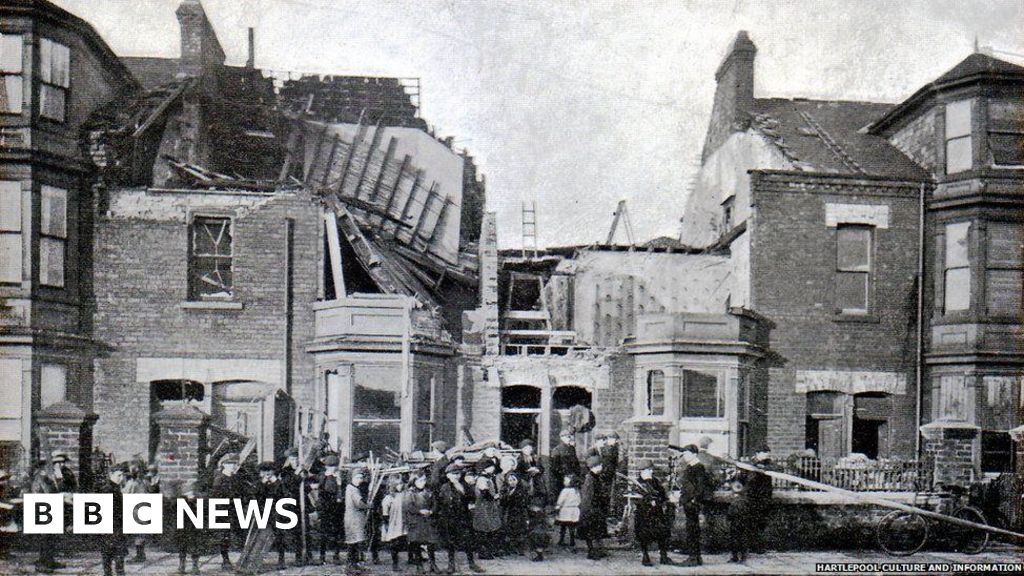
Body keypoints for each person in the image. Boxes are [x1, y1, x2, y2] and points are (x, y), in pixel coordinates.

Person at [728, 447, 774, 562]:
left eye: (768, 453)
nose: (767, 455)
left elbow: (778, 469)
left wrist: (763, 467)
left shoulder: (768, 464)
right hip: (746, 500)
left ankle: (748, 552)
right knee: (738, 528)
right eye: (765, 453)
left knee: (752, 527)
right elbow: (739, 480)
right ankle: (736, 554)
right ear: (757, 453)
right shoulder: (748, 465)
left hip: (760, 500)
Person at [435, 463, 483, 574]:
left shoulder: (465, 485)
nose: (456, 476)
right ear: (448, 475)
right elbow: (441, 502)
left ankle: (471, 563)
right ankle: (451, 565)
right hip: (450, 518)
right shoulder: (445, 487)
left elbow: (472, 498)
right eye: (453, 474)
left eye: (458, 474)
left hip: (463, 517)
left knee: (468, 541)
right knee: (451, 543)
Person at [634, 459, 675, 566]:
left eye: (651, 469)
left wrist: (658, 500)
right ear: (642, 471)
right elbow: (636, 498)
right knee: (643, 535)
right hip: (644, 514)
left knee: (663, 533)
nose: (651, 471)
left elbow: (662, 495)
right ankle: (645, 556)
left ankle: (663, 556)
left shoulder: (655, 481)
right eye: (649, 470)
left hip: (657, 513)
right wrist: (647, 501)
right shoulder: (638, 483)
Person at [677, 444, 712, 567]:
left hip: (692, 503)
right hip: (688, 501)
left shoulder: (698, 467)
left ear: (694, 454)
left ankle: (694, 558)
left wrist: (693, 500)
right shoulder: (691, 466)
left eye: (687, 454)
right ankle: (695, 557)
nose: (684, 456)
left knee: (693, 530)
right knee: (691, 529)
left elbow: (700, 487)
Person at [279, 447, 311, 565]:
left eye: (296, 458)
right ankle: (285, 557)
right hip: (290, 504)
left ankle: (304, 555)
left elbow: (307, 488)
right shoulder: (285, 471)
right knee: (291, 531)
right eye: (292, 459)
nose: (295, 461)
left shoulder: (304, 470)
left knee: (304, 529)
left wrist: (304, 477)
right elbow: (289, 485)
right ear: (289, 459)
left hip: (302, 503)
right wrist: (297, 475)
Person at [210, 453, 243, 569]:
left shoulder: (235, 478)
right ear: (223, 465)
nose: (232, 466)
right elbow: (216, 497)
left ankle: (239, 559)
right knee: (224, 535)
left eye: (234, 464)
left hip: (234, 510)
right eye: (229, 464)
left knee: (235, 534)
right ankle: (225, 560)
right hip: (223, 510)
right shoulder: (219, 479)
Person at [96, 463, 129, 576]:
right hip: (112, 528)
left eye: (122, 475)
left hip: (114, 527)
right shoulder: (108, 490)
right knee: (113, 556)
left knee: (111, 556)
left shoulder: (115, 488)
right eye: (118, 475)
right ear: (111, 474)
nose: (121, 478)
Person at [31, 457, 62, 573]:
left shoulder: (47, 479)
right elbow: (48, 493)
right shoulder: (40, 479)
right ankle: (42, 563)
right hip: (42, 510)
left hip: (49, 509)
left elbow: (55, 491)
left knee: (50, 538)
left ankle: (50, 561)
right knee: (45, 538)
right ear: (43, 468)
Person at [256, 462, 288, 568]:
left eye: (269, 470)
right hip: (263, 512)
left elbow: (283, 495)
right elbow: (256, 496)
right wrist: (262, 484)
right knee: (260, 536)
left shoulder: (279, 483)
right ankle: (257, 560)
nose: (267, 473)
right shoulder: (259, 483)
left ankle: (281, 559)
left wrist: (275, 482)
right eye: (265, 471)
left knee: (279, 535)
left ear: (273, 471)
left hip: (276, 512)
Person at [406, 470, 439, 573]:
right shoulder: (410, 493)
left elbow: (435, 504)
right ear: (414, 481)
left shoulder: (429, 491)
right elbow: (409, 506)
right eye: (420, 481)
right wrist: (419, 511)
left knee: (431, 543)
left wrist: (431, 511)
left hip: (428, 520)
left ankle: (433, 564)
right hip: (416, 521)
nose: (423, 483)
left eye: (424, 480)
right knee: (416, 543)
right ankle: (419, 565)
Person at [316, 454, 345, 564]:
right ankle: (322, 556)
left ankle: (336, 555)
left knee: (337, 532)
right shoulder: (322, 476)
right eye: (330, 466)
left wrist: (339, 483)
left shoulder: (340, 477)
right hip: (325, 508)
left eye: (334, 466)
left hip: (337, 508)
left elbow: (341, 494)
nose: (332, 468)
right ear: (326, 467)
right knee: (324, 532)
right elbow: (320, 492)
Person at [578, 454, 608, 560]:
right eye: (600, 465)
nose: (602, 467)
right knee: (591, 532)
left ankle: (597, 550)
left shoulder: (595, 477)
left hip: (595, 508)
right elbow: (588, 496)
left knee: (595, 531)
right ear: (595, 466)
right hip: (591, 509)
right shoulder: (590, 479)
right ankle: (591, 551)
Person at [471, 460, 502, 560]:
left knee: (490, 527)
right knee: (484, 527)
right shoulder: (482, 479)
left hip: (488, 505)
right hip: (483, 505)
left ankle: (489, 550)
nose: (492, 469)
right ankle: (483, 552)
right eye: (490, 467)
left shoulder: (487, 477)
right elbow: (484, 492)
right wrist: (494, 496)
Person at [381, 474, 409, 571]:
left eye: (401, 484)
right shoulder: (389, 498)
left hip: (404, 521)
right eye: (397, 484)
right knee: (394, 543)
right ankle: (395, 564)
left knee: (405, 541)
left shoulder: (405, 495)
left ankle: (412, 559)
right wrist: (386, 524)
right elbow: (385, 513)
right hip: (394, 522)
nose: (400, 486)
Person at [343, 468, 370, 569]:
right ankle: (352, 563)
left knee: (354, 541)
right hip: (354, 519)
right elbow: (359, 503)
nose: (360, 480)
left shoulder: (352, 488)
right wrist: (368, 506)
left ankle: (353, 563)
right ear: (352, 478)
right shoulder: (352, 489)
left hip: (354, 518)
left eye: (361, 478)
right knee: (354, 542)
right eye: (357, 478)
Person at [174, 481, 202, 575]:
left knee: (191, 546)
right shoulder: (181, 499)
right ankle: (187, 566)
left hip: (190, 526)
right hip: (186, 526)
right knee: (185, 546)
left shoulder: (197, 499)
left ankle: (191, 566)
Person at [500, 471, 529, 555]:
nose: (512, 482)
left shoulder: (521, 490)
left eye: (514, 480)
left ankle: (520, 548)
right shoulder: (505, 490)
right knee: (509, 529)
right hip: (509, 512)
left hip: (519, 512)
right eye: (510, 480)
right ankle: (510, 547)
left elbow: (524, 502)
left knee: (520, 529)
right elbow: (502, 503)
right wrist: (508, 495)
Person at [549, 429, 580, 501]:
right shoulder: (557, 450)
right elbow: (554, 467)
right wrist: (564, 475)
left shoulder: (572, 449)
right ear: (561, 438)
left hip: (572, 478)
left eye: (569, 436)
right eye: (567, 437)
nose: (569, 438)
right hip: (561, 479)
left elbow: (576, 463)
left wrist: (576, 474)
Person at [555, 473, 580, 549]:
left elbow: (561, 500)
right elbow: (579, 500)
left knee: (563, 526)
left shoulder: (565, 491)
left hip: (565, 510)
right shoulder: (576, 491)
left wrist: (558, 507)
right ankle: (572, 540)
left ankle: (561, 539)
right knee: (572, 526)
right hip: (574, 510)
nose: (564, 482)